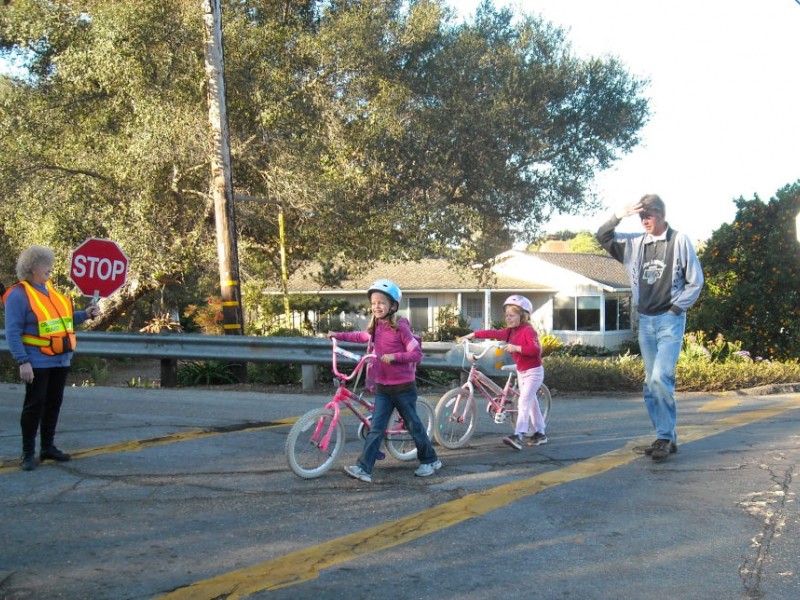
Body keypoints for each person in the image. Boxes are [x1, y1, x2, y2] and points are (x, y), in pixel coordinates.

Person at [596, 194, 704, 461]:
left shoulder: (679, 241)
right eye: (641, 216)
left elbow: (695, 281)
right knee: (649, 386)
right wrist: (620, 214)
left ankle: (664, 438)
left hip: (669, 320)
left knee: (660, 379)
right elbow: (603, 236)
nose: (645, 220)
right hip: (645, 321)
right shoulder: (635, 244)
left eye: (650, 215)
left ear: (662, 215)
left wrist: (676, 309)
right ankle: (665, 436)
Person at [328, 279, 441, 483]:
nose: (376, 306)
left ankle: (430, 460)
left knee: (414, 425)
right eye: (373, 303)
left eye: (381, 302)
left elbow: (416, 354)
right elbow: (360, 337)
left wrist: (395, 357)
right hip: (383, 388)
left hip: (403, 388)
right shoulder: (376, 328)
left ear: (393, 306)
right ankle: (364, 469)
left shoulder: (401, 326)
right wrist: (338, 335)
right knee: (376, 428)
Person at [2, 245, 101, 471]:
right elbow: (13, 331)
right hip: (36, 361)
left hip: (60, 360)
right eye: (46, 265)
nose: (50, 269)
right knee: (34, 405)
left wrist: (84, 315)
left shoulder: (51, 292)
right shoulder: (19, 294)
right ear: (32, 267)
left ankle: (48, 447)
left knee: (53, 404)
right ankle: (28, 453)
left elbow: (62, 322)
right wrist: (22, 361)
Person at [459, 295, 546, 450]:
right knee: (531, 402)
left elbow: (536, 350)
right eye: (506, 315)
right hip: (521, 371)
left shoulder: (528, 331)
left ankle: (518, 435)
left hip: (534, 372)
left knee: (524, 401)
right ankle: (540, 433)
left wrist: (516, 348)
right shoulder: (509, 332)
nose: (508, 318)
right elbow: (493, 333)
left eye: (511, 315)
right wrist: (472, 335)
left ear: (522, 315)